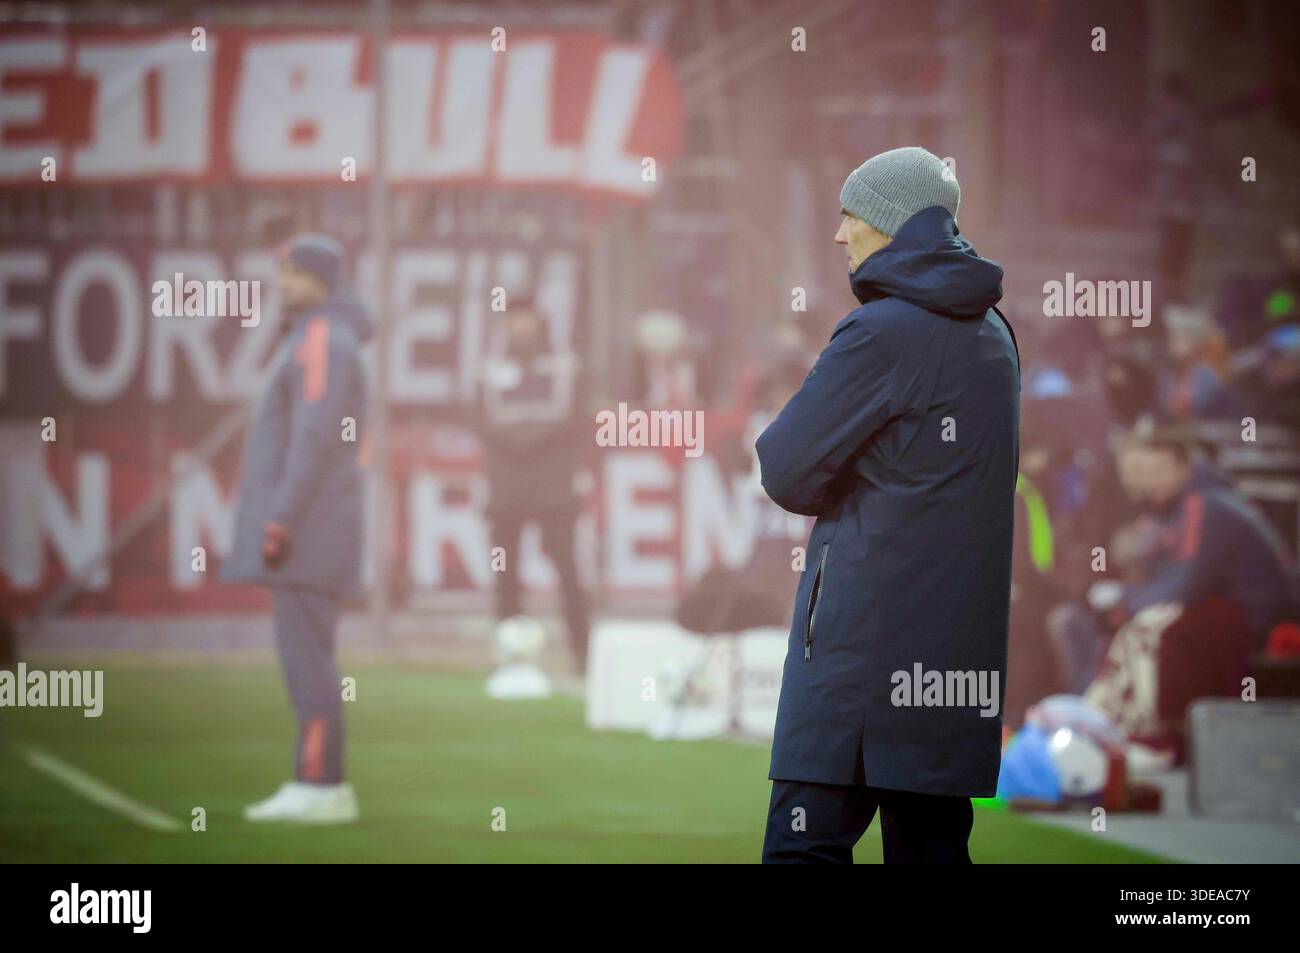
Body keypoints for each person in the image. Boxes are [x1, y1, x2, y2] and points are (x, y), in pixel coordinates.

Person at [756, 147, 1020, 863]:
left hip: (861, 656)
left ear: (890, 224)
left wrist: (838, 476)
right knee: (931, 854)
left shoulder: (882, 330)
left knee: (801, 851)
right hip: (954, 660)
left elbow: (783, 467)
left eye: (850, 215)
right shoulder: (996, 334)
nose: (840, 234)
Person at [222, 234, 370, 824]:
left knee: (306, 657)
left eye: (291, 272)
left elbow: (313, 434)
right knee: (308, 654)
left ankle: (319, 783)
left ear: (320, 280)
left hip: (309, 529)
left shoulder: (320, 339)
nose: (280, 282)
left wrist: (280, 517)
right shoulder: (323, 336)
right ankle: (319, 780)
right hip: (315, 525)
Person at [476, 297, 591, 675]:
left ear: (539, 322)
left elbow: (575, 419)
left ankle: (583, 654)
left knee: (567, 570)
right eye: (513, 318)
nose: (520, 326)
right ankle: (510, 657)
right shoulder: (490, 369)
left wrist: (522, 436)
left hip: (553, 488)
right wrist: (527, 437)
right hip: (506, 490)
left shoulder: (565, 367)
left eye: (526, 318)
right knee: (506, 575)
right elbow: (480, 420)